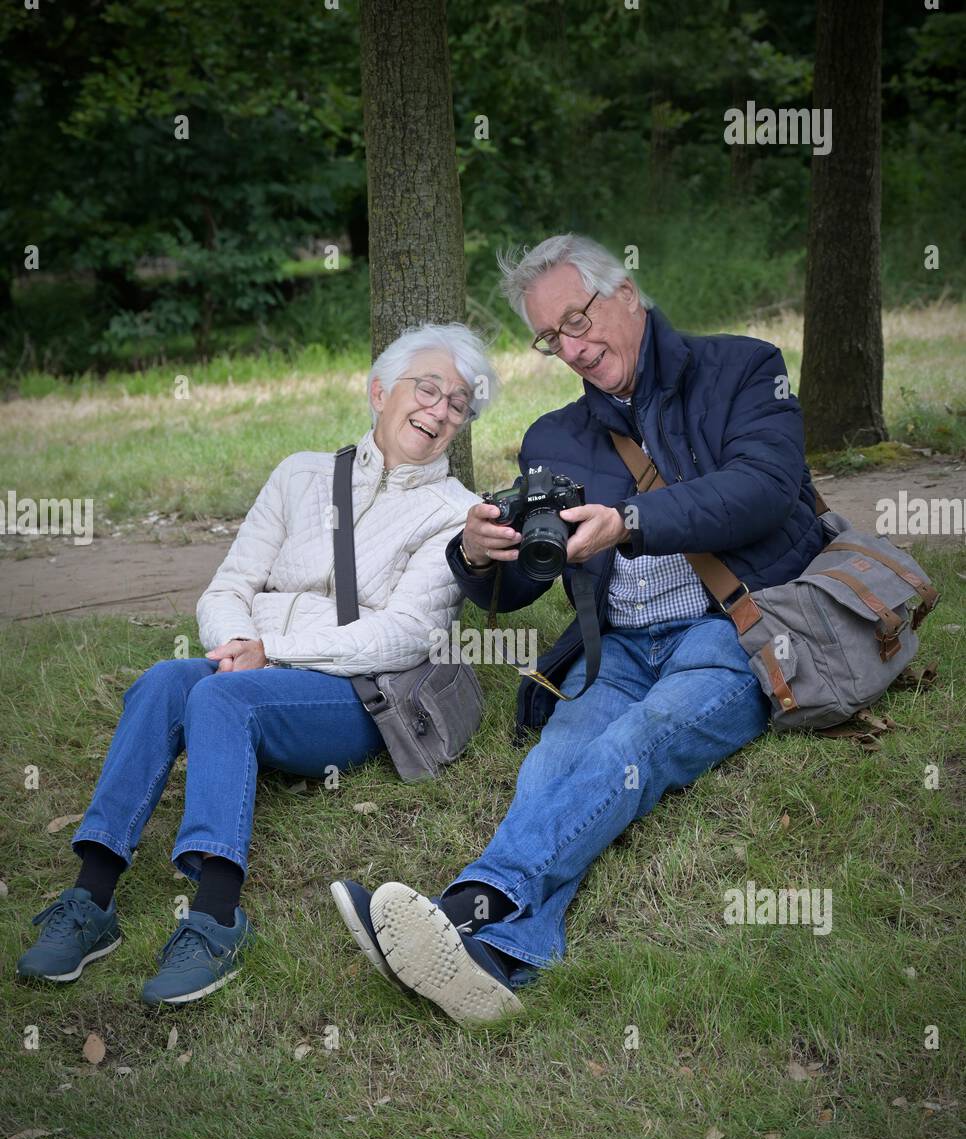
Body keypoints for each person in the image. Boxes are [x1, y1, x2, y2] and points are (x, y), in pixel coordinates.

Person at [330, 234, 826, 1025]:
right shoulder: (556, 436)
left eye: (578, 319)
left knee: (642, 745)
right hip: (620, 643)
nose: (572, 347)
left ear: (625, 291)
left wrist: (630, 520)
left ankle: (471, 904)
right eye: (551, 336)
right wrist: (480, 553)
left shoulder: (744, 368)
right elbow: (528, 580)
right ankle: (503, 958)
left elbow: (763, 490)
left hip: (733, 624)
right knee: (558, 759)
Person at [17, 322, 495, 1006]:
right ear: (379, 391)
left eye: (460, 404)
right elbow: (229, 585)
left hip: (352, 697)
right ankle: (90, 898)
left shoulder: (455, 513)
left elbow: (405, 637)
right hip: (254, 666)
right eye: (429, 389)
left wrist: (275, 653)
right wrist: (237, 647)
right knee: (163, 682)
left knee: (218, 700)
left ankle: (214, 919)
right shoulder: (301, 474)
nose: (441, 410)